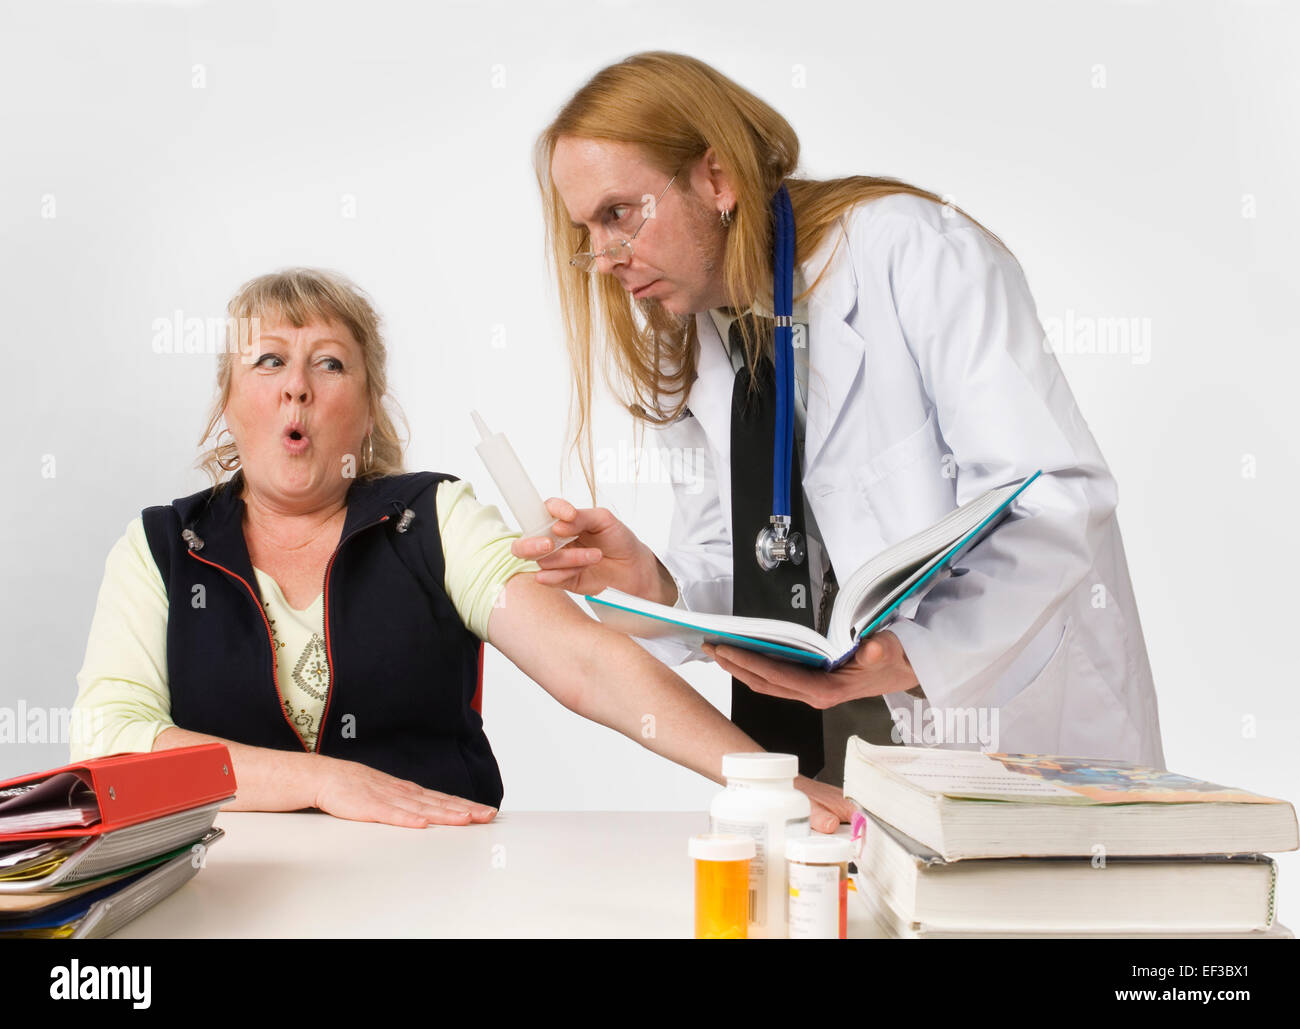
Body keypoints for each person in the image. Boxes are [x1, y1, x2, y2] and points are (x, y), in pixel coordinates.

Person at [516, 52, 1164, 784]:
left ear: (717, 178)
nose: (603, 258)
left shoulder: (910, 254)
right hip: (830, 744)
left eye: (618, 214)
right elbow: (750, 563)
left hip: (1002, 719)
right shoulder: (695, 337)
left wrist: (925, 650)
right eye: (587, 231)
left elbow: (1056, 496)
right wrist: (656, 584)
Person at [70, 267, 852, 831]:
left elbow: (588, 662)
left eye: (330, 362)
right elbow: (111, 739)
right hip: (226, 890)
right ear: (229, 402)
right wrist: (321, 780)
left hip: (435, 882)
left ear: (370, 407)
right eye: (268, 360)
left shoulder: (433, 518)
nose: (297, 385)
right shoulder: (161, 547)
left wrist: (767, 778)